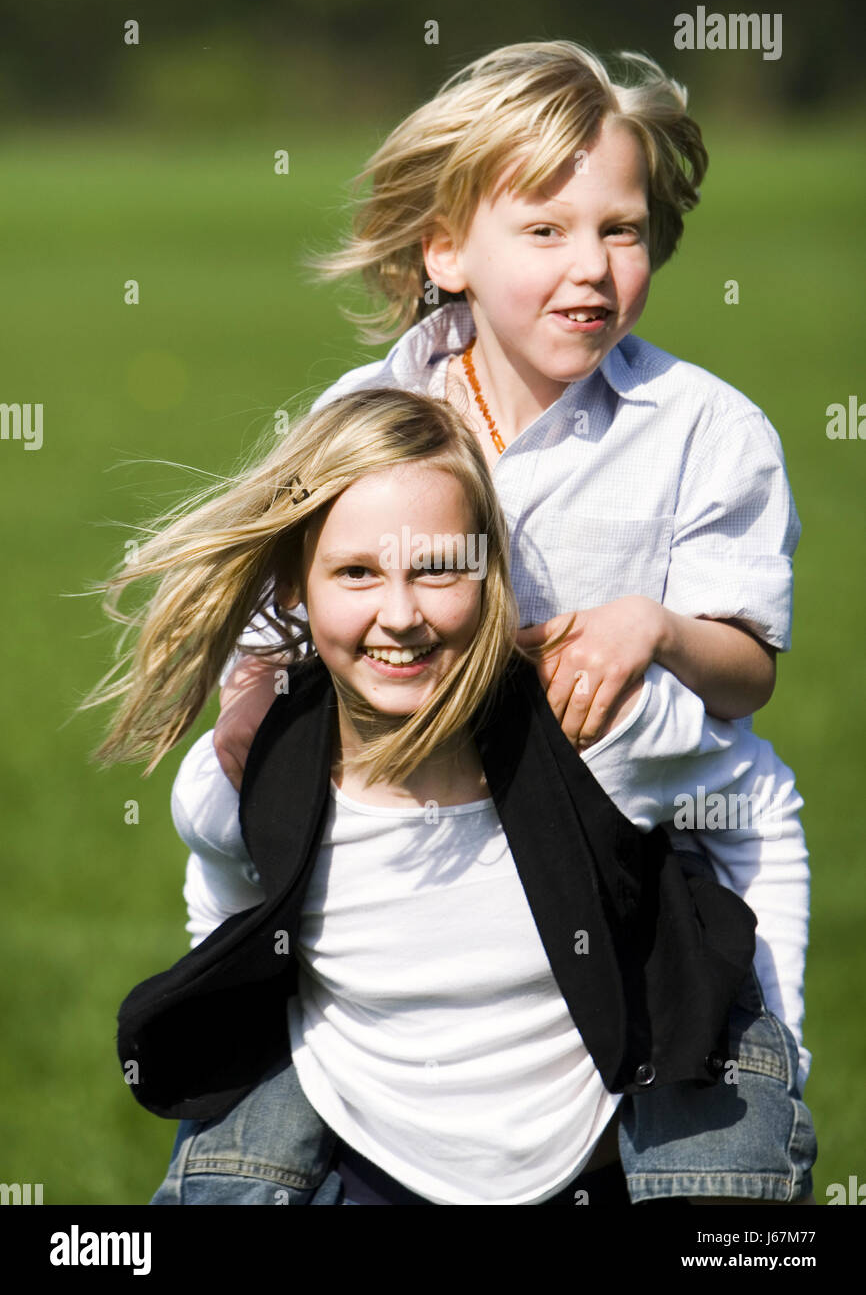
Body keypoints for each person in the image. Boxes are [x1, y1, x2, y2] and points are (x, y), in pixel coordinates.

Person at [85, 387, 816, 1206]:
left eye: (437, 570)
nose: (400, 615)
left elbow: (758, 804)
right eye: (356, 572)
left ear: (491, 575)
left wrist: (783, 1037)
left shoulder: (595, 728)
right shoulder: (246, 774)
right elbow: (229, 912)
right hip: (370, 1159)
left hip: (592, 1162)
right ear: (295, 585)